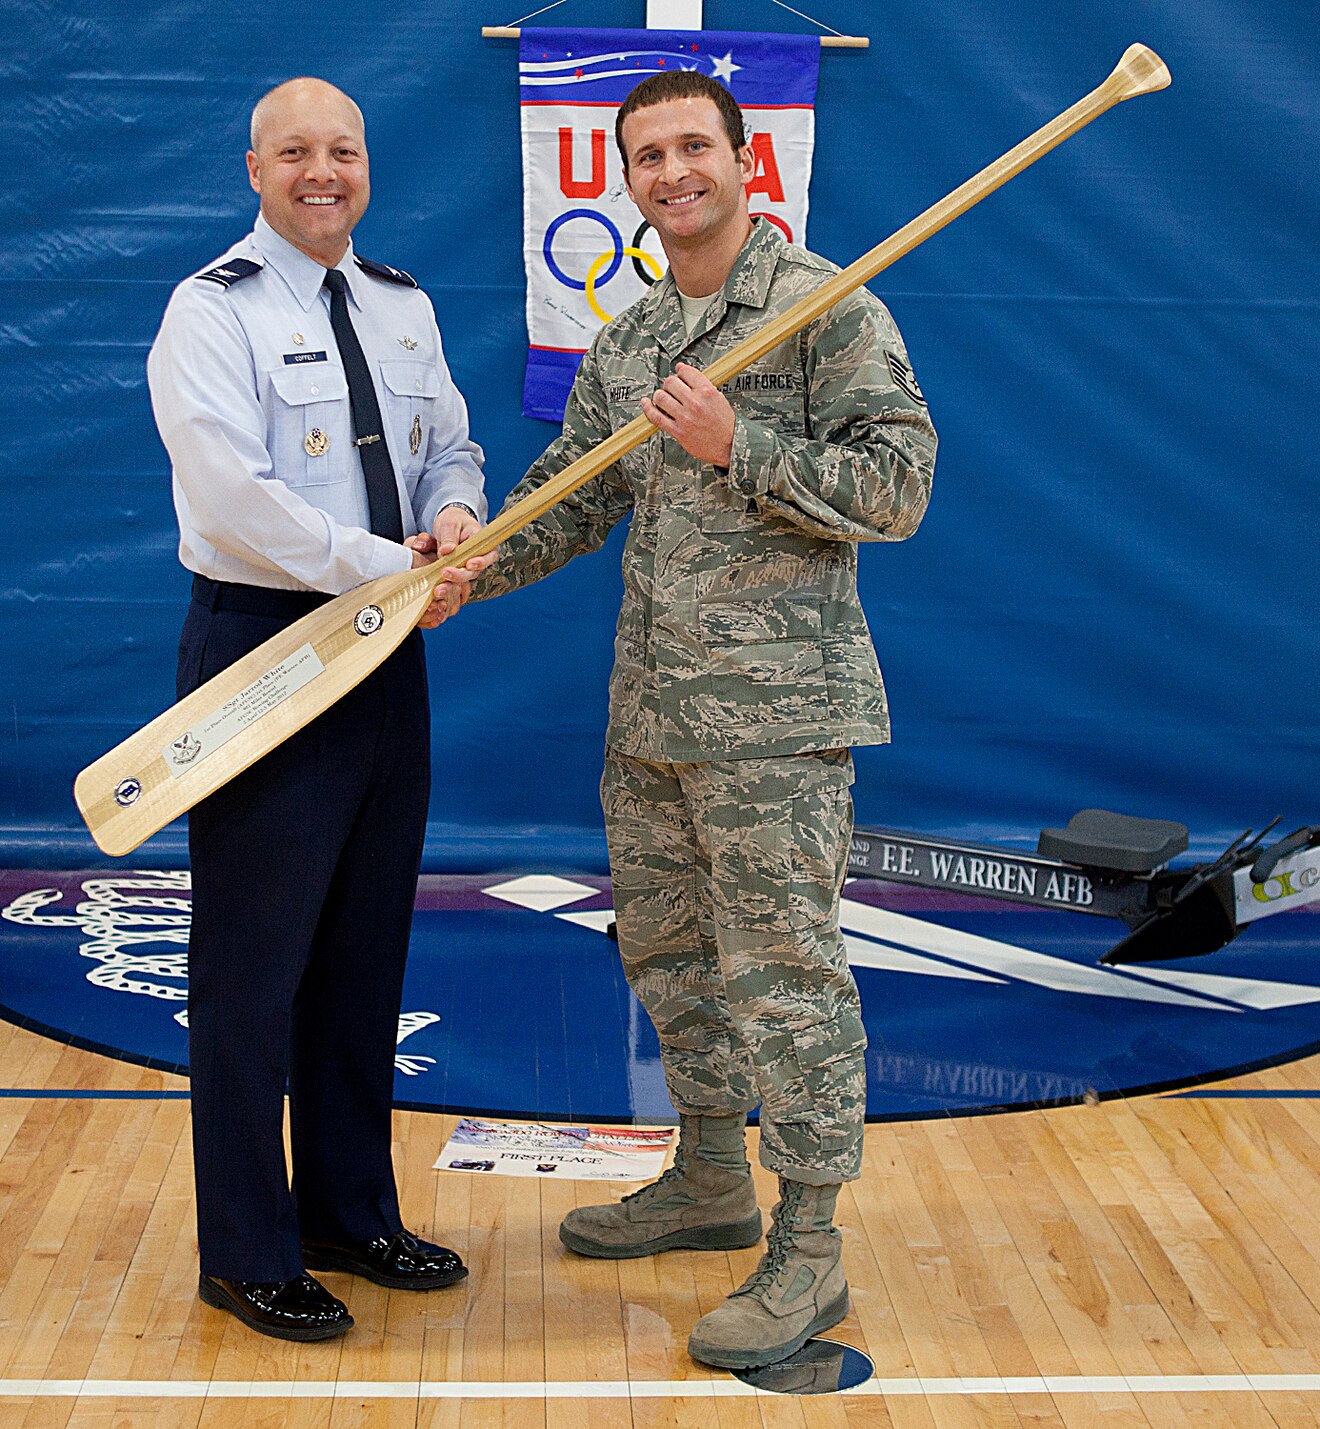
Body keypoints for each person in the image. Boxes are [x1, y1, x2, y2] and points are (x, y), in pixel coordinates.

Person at [468, 70, 936, 1368]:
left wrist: (746, 447)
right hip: (654, 715)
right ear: (626, 180)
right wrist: (464, 567)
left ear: (747, 162)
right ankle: (711, 1177)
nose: (672, 171)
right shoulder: (626, 343)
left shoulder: (822, 310)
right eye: (647, 155)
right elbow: (564, 499)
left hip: (778, 722)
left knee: (785, 980)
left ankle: (810, 1245)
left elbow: (899, 487)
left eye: (694, 147)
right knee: (672, 961)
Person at [147, 76, 492, 1341]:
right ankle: (245, 1248)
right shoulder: (209, 312)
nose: (321, 172)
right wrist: (386, 568)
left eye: (341, 150)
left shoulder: (401, 304)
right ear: (254, 169)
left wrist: (454, 515)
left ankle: (349, 1209)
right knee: (252, 966)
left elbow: (446, 440)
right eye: (294, 152)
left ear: (365, 165)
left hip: (385, 642)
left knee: (362, 952)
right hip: (269, 648)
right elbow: (231, 498)